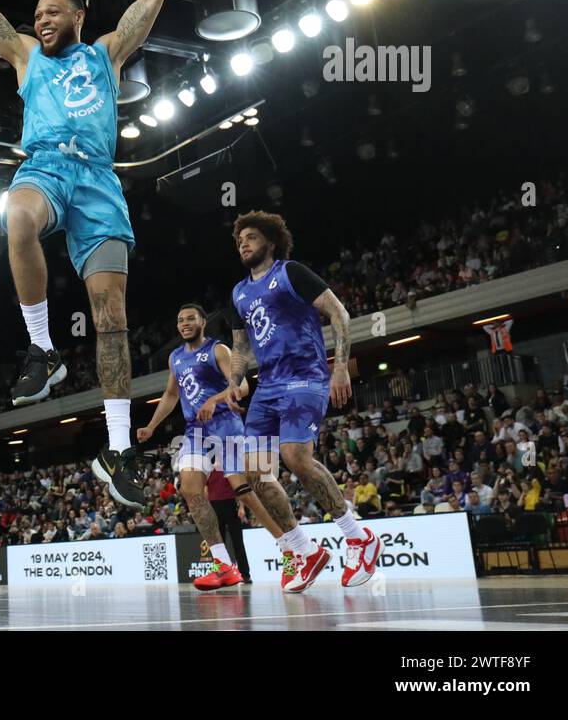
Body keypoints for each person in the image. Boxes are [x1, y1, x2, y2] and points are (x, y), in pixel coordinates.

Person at [0, 0, 166, 507]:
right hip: (47, 166)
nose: (42, 19)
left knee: (112, 318)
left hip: (99, 179)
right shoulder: (26, 55)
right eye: (36, 13)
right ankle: (41, 349)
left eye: (53, 11)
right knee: (16, 217)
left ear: (79, 15)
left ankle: (119, 448)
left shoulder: (106, 53)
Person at [224, 211, 384, 592]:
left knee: (296, 457)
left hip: (304, 378)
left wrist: (341, 366)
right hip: (267, 388)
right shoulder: (238, 292)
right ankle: (303, 550)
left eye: (250, 237)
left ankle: (359, 537)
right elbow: (240, 347)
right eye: (239, 240)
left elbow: (339, 313)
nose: (243, 243)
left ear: (271, 242)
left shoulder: (291, 272)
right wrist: (234, 380)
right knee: (256, 474)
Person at [137, 303, 283, 590]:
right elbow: (170, 395)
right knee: (190, 489)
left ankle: (290, 548)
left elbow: (241, 388)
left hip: (226, 423)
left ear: (203, 322)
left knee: (250, 493)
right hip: (195, 431)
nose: (184, 323)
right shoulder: (175, 358)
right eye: (180, 320)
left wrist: (213, 400)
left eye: (191, 318)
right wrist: (152, 426)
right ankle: (222, 564)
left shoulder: (218, 350)